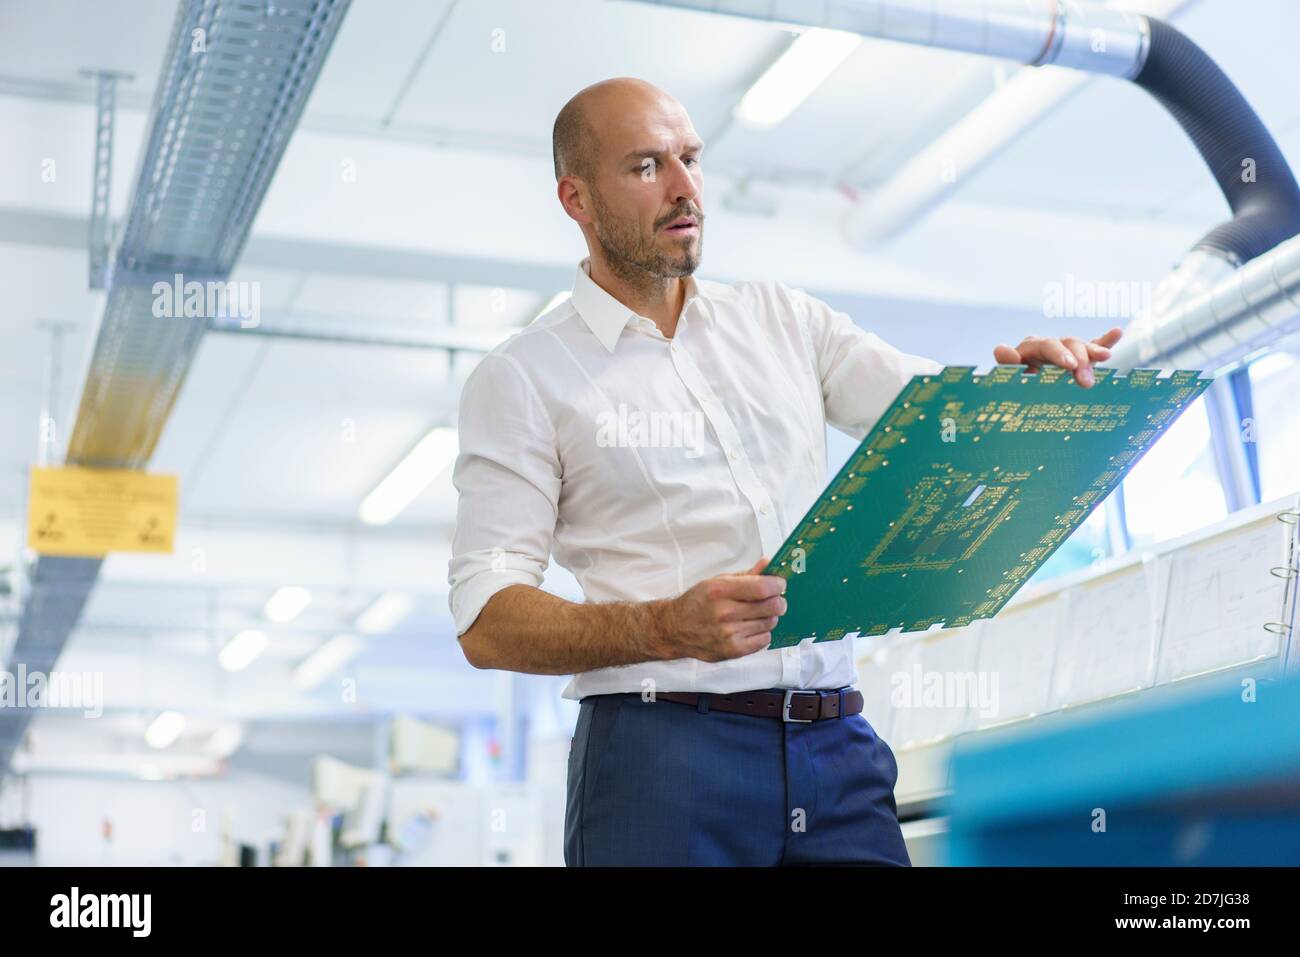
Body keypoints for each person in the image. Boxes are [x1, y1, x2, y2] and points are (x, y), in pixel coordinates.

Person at [448, 77, 1121, 866]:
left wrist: (1020, 390)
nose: (684, 187)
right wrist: (663, 624)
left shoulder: (785, 320)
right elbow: (486, 617)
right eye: (645, 167)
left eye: (690, 158)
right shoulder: (524, 376)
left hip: (838, 751)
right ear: (578, 199)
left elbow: (934, 413)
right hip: (660, 762)